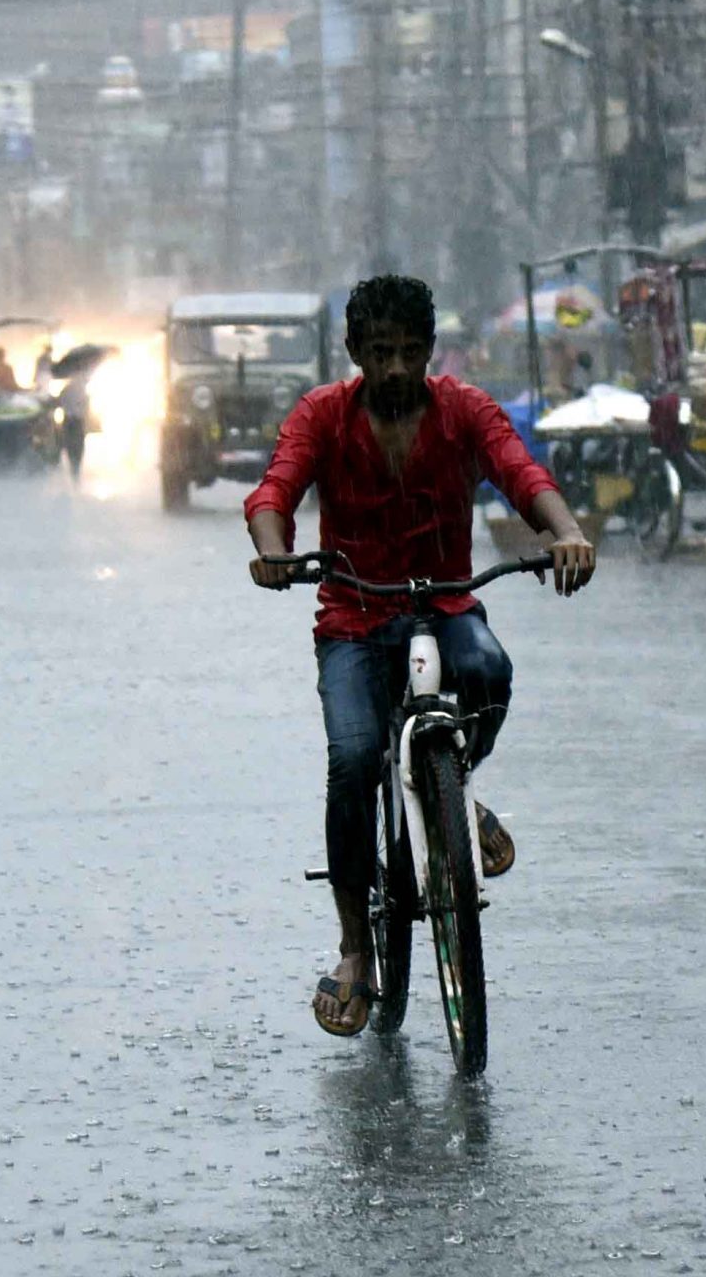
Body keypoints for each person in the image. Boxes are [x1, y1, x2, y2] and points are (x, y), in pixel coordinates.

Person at [245, 274, 596, 1038]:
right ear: (356, 353)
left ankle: (450, 791)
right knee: (353, 756)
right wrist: (273, 552)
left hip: (445, 602)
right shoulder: (322, 416)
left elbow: (521, 472)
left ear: (430, 351)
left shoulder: (465, 411)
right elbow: (274, 492)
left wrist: (563, 533)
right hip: (353, 615)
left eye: (410, 352)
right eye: (381, 353)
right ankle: (353, 953)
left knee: (490, 674)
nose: (397, 368)